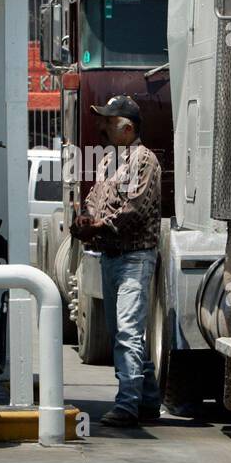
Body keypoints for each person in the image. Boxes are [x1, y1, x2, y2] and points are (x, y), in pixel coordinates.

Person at [70, 95, 164, 428]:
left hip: (135, 257)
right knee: (124, 333)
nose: (102, 127)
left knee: (126, 332)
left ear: (126, 127)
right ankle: (148, 400)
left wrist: (99, 225)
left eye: (108, 122)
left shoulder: (145, 160)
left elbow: (136, 208)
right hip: (111, 256)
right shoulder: (109, 160)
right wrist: (85, 218)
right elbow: (96, 198)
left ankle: (127, 405)